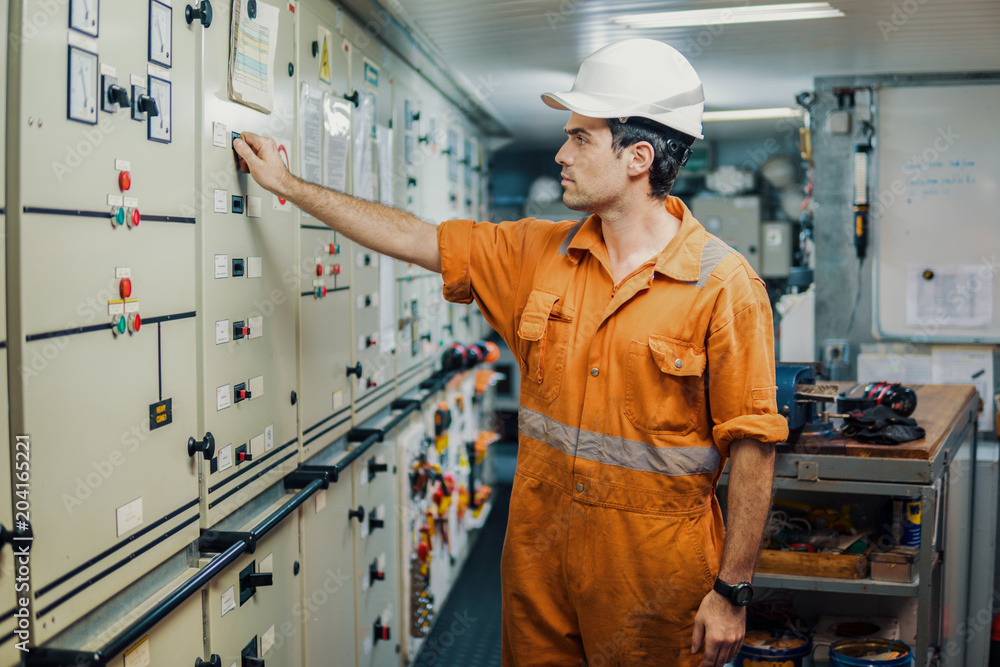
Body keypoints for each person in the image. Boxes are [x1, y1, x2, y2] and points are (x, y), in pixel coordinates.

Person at [234, 37, 788, 667]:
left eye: (580, 138)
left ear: (638, 157)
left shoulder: (724, 287)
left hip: (654, 582)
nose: (561, 154)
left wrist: (732, 591)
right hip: (537, 566)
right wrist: (287, 185)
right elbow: (416, 238)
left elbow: (754, 446)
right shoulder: (535, 252)